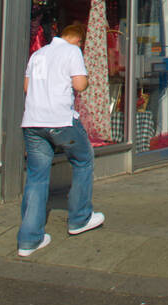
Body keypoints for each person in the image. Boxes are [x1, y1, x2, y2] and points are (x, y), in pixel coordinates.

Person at [17, 22, 104, 257]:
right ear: (78, 40)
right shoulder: (72, 51)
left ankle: (29, 240)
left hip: (33, 122)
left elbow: (27, 87)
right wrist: (84, 79)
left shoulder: (38, 54)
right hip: (60, 120)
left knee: (36, 177)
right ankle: (79, 218)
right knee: (83, 162)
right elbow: (80, 84)